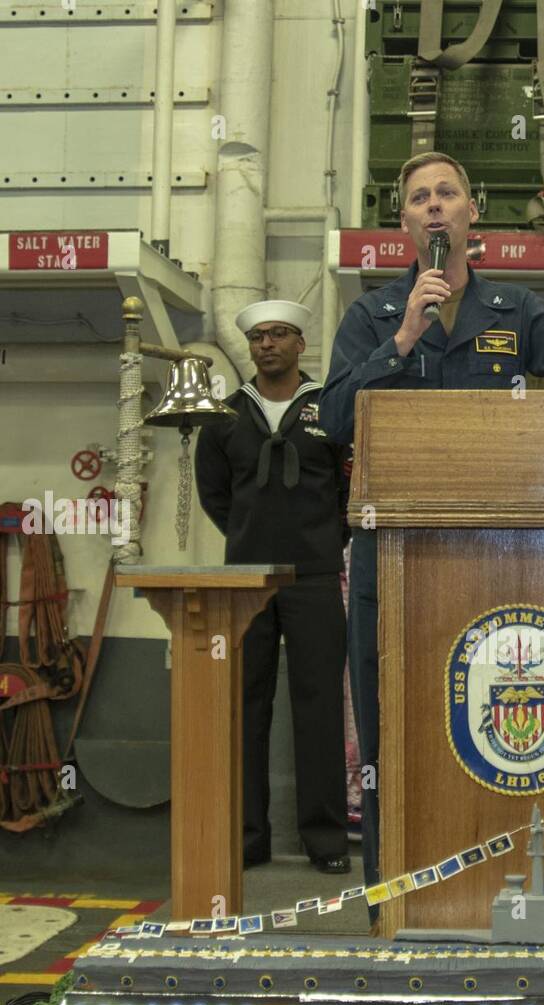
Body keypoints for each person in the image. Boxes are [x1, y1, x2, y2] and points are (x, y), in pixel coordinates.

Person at [319, 152, 544, 914]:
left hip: (499, 570)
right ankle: (394, 902)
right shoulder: (372, 318)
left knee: (488, 734)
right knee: (394, 741)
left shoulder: (519, 313)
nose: (434, 206)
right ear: (404, 225)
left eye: (447, 192)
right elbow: (332, 419)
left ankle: (503, 893)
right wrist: (402, 342)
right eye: (418, 197)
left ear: (471, 212)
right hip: (394, 565)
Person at [195, 299, 352, 873]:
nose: (268, 345)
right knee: (245, 708)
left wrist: (323, 541)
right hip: (247, 581)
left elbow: (347, 490)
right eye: (259, 337)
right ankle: (247, 838)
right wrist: (248, 538)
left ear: (299, 344)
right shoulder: (226, 416)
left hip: (312, 577)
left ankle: (326, 842)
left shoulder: (329, 409)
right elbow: (215, 494)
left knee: (318, 710)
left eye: (280, 334)